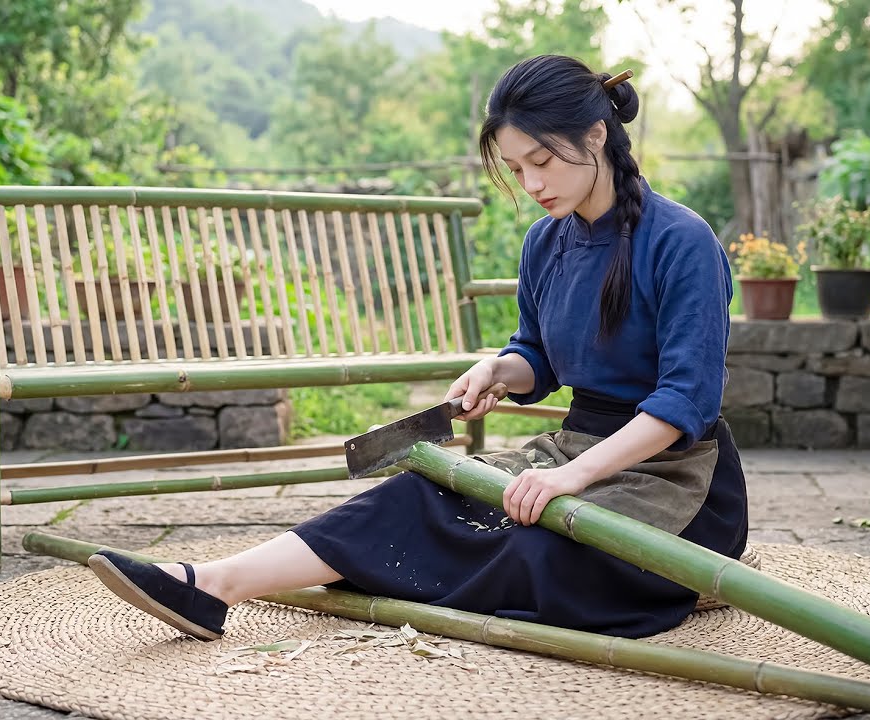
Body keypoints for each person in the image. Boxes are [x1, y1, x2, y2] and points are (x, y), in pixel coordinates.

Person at [88, 54, 748, 642]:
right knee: (412, 498)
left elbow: (685, 402)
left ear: (596, 135)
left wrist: (571, 477)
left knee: (533, 554)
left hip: (674, 475)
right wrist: (499, 369)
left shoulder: (681, 242)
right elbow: (539, 358)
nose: (531, 184)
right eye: (516, 168)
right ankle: (210, 584)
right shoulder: (545, 243)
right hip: (574, 449)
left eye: (541, 162)